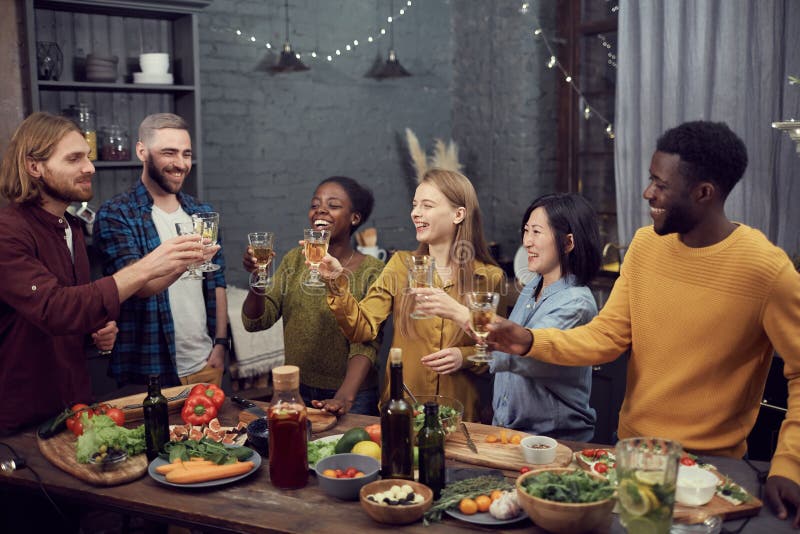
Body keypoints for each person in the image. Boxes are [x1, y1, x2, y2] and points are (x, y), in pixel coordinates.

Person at [485, 120, 800, 525]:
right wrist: (528, 340)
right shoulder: (645, 246)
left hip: (708, 470)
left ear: (704, 193)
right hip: (627, 454)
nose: (647, 192)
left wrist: (789, 465)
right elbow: (607, 336)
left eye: (661, 184)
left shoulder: (766, 270)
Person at [0, 112, 204, 434]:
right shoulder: (7, 232)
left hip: (74, 406)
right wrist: (151, 264)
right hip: (23, 419)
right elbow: (55, 308)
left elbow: (74, 309)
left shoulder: (72, 227)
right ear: (34, 166)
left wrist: (95, 329)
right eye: (74, 158)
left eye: (88, 157)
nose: (90, 168)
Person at [320, 169, 506, 422]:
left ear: (458, 214)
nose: (415, 213)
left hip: (463, 418)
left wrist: (463, 357)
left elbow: (501, 351)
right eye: (415, 205)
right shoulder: (400, 265)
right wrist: (336, 282)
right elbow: (361, 329)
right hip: (403, 411)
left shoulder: (490, 277)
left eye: (427, 205)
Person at [414, 193, 601, 441]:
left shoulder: (577, 303)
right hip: (509, 432)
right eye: (526, 231)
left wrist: (459, 313)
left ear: (568, 243)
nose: (527, 242)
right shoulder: (533, 286)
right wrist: (466, 357)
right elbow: (504, 347)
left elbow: (529, 353)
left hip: (554, 440)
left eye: (536, 232)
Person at [94, 113, 228, 387]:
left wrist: (221, 344)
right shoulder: (117, 213)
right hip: (149, 369)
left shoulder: (202, 213)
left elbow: (217, 281)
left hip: (206, 361)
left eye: (186, 154)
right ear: (142, 151)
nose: (180, 164)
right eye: (169, 152)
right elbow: (136, 285)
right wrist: (187, 261)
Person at [241, 177, 384, 415]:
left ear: (354, 218)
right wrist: (258, 276)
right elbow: (256, 321)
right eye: (315, 204)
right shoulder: (294, 260)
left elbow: (366, 343)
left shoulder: (372, 270)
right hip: (297, 391)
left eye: (334, 205)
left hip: (353, 395)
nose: (321, 210)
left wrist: (344, 398)